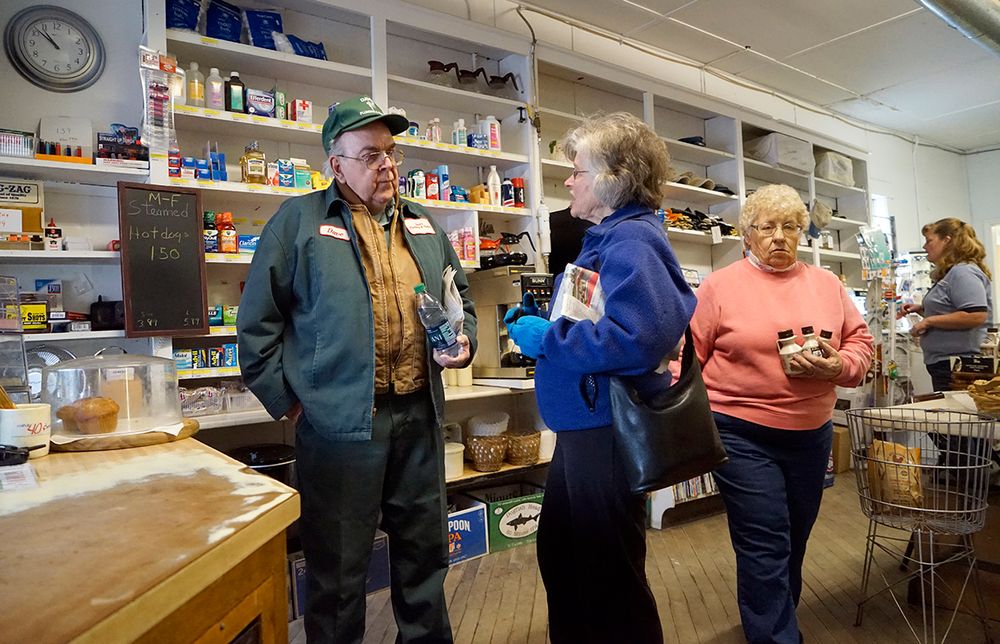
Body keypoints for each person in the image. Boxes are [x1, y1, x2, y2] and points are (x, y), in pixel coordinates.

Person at [237, 95, 476, 644]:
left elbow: (458, 300)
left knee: (425, 559)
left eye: (390, 152)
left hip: (418, 418)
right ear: (336, 165)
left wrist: (461, 344)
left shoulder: (424, 226)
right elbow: (256, 328)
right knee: (339, 573)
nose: (386, 165)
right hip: (339, 430)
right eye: (370, 155)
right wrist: (292, 404)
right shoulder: (298, 223)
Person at [504, 112, 696, 643]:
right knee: (566, 554)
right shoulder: (609, 238)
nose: (568, 181)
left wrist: (552, 340)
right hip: (587, 424)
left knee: (608, 574)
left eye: (577, 171)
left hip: (608, 426)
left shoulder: (631, 240)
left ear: (614, 178)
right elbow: (601, 318)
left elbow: (641, 336)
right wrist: (549, 322)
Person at [690, 184, 874, 644]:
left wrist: (841, 365)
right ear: (746, 234)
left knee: (795, 533)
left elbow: (861, 342)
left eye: (790, 227)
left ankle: (772, 618)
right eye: (767, 227)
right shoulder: (719, 287)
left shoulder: (827, 284)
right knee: (765, 537)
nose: (779, 237)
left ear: (801, 233)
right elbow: (687, 358)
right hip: (740, 432)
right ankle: (776, 636)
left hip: (811, 433)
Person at [898, 217, 992, 392]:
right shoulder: (951, 273)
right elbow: (954, 312)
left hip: (958, 366)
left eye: (929, 241)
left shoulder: (963, 272)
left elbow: (976, 315)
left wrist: (928, 321)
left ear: (947, 241)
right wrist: (923, 310)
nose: (925, 246)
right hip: (945, 364)